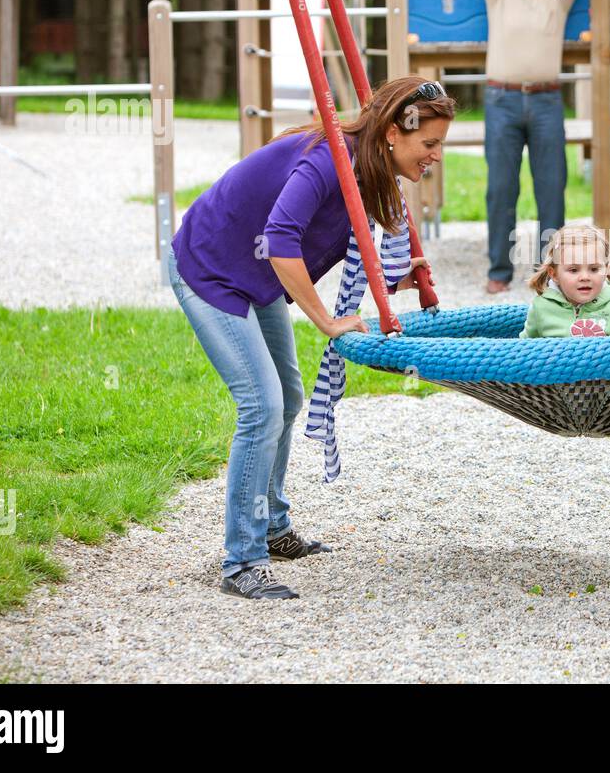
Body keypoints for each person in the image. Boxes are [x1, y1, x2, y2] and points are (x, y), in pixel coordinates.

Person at [167, 76, 454, 600]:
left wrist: (394, 280)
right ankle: (241, 561)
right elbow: (281, 240)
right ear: (394, 132)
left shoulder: (367, 165)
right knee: (262, 406)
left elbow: (342, 237)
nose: (435, 156)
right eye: (429, 144)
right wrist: (325, 319)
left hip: (256, 278)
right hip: (210, 266)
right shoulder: (330, 159)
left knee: (289, 398)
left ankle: (272, 527)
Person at [472, 0, 597, 294]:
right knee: (501, 189)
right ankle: (498, 271)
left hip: (545, 100)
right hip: (502, 100)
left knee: (551, 189)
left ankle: (549, 272)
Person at [519, 225, 610, 338]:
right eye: (574, 270)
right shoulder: (541, 308)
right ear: (554, 274)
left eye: (594, 269)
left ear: (606, 270)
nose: (585, 277)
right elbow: (524, 351)